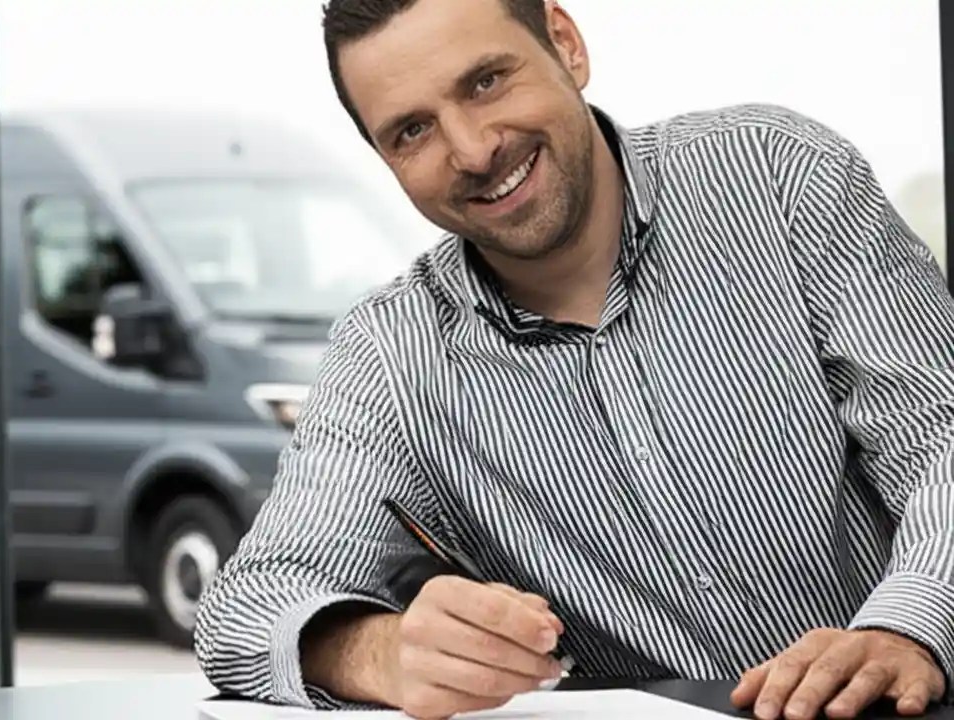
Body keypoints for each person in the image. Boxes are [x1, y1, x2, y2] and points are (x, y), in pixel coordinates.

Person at [193, 1, 954, 718]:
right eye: (413, 131)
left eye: (486, 81)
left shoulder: (779, 176)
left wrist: (906, 627)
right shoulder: (391, 354)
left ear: (565, 42)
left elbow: (940, 440)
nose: (474, 149)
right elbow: (248, 605)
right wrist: (377, 651)